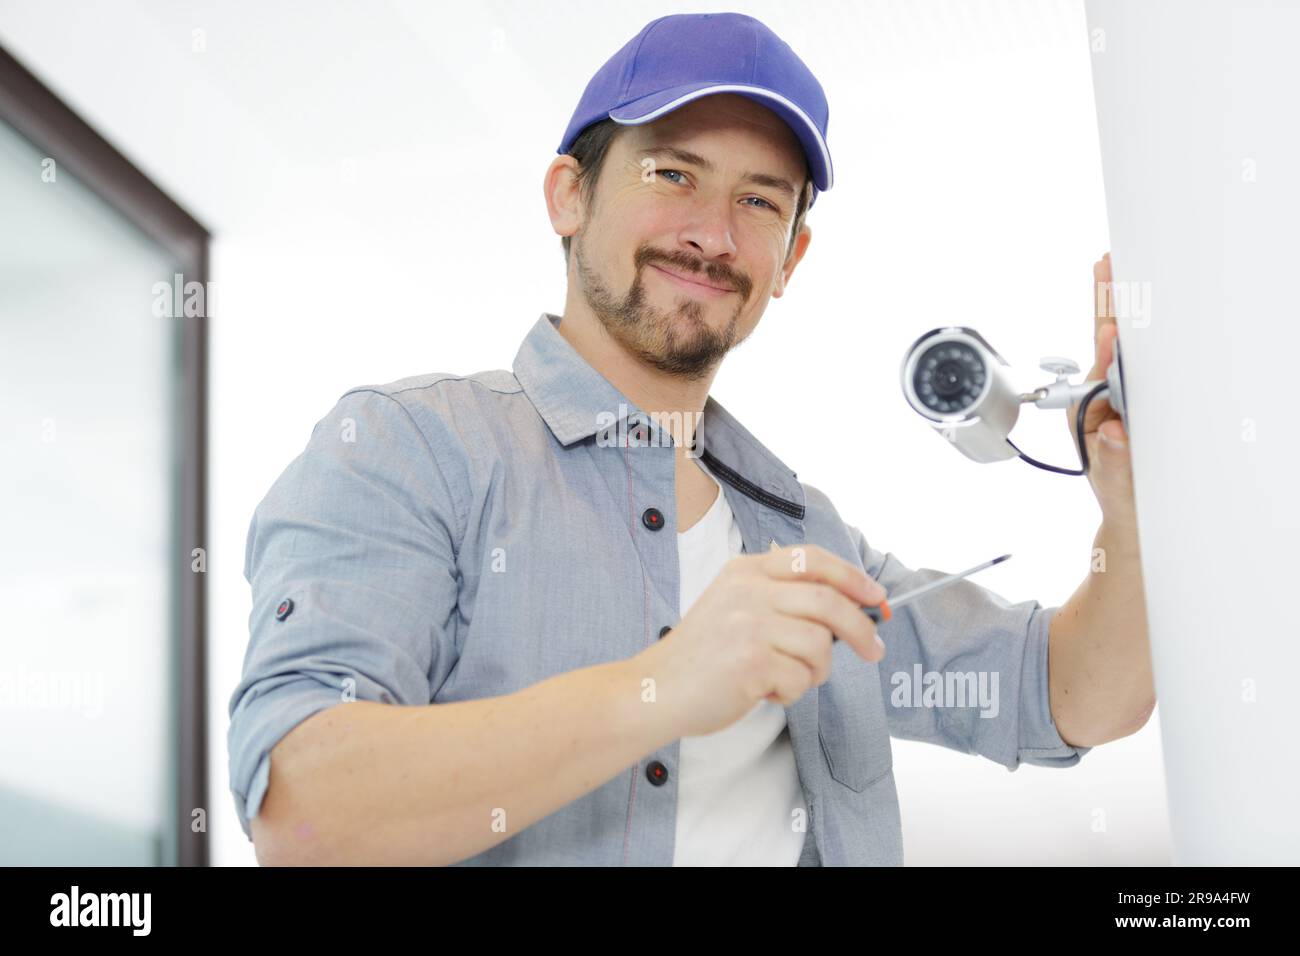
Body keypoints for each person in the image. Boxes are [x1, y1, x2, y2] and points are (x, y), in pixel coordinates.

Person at [229, 12, 1150, 866]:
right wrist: (665, 685)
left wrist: (1136, 511)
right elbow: (303, 806)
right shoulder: (411, 450)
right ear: (569, 195)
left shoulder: (811, 544)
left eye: (759, 202)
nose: (712, 234)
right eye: (673, 174)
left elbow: (1072, 694)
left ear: (789, 259)